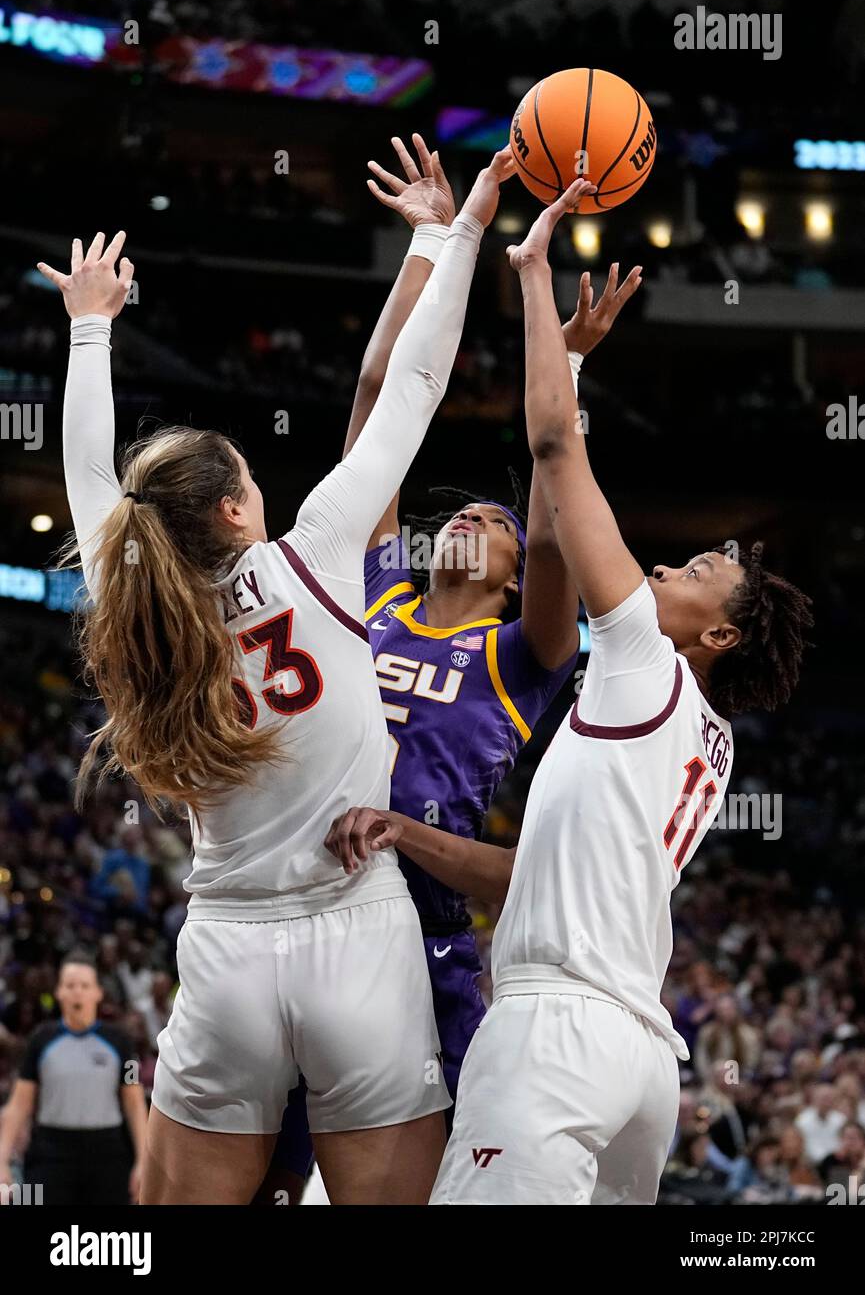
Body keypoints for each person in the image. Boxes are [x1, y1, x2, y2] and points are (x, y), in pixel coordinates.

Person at [39, 151, 513, 1205]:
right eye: (251, 476)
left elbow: (85, 481)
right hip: (358, 930)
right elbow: (418, 385)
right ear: (237, 513)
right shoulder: (315, 554)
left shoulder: (134, 609)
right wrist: (454, 230)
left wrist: (87, 324)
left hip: (228, 950)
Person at [423, 175, 813, 1205]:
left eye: (695, 575)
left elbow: (555, 448)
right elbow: (551, 525)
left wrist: (536, 279)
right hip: (641, 1060)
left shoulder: (643, 659)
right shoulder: (706, 737)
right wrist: (581, 360)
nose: (667, 570)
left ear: (716, 634)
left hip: (557, 1030)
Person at [266, 134, 641, 1202]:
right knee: (263, 1181)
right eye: (461, 511)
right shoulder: (373, 585)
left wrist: (562, 367)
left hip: (422, 939)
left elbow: (561, 512)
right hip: (299, 900)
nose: (472, 517)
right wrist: (430, 243)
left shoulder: (523, 652)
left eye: (494, 518)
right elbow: (381, 392)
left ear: (517, 564)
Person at [0, 954, 146, 1205]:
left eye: (84, 986)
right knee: (29, 1201)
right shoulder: (40, 1040)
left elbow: (134, 1103)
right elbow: (19, 1104)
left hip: (108, 1153)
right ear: (59, 992)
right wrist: (1, 1158)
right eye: (70, 985)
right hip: (50, 1151)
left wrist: (144, 1161)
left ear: (98, 993)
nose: (77, 992)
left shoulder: (122, 1043)